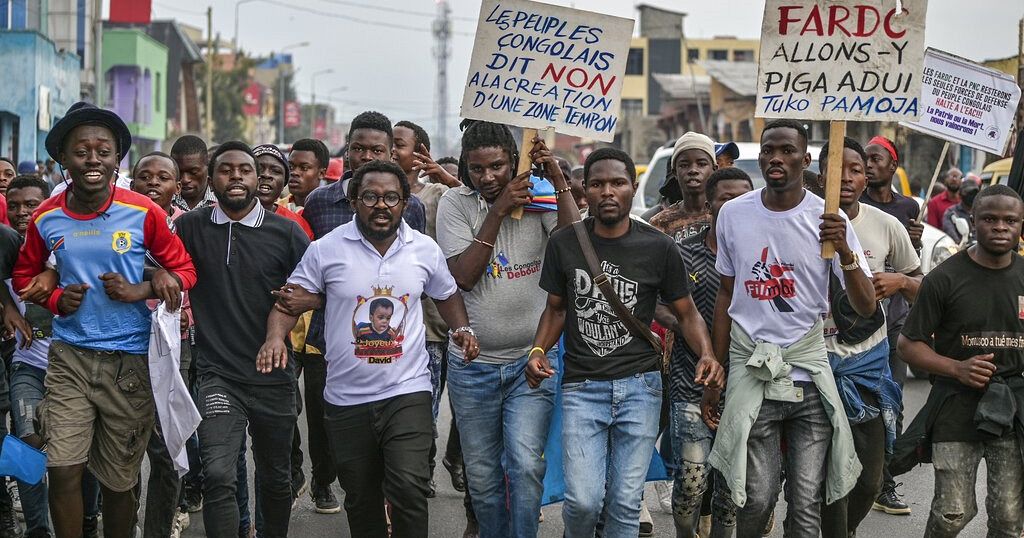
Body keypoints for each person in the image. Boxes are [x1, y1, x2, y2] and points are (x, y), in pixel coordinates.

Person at [260, 159, 479, 538]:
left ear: (405, 201)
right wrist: (275, 337)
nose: (382, 205)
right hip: (346, 398)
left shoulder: (423, 250)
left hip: (407, 391)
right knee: (361, 497)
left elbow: (447, 294)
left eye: (391, 197)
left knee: (409, 488)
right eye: (371, 197)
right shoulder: (325, 250)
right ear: (353, 201)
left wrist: (461, 328)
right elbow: (288, 302)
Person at [12, 101, 196, 538]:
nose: (93, 159)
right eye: (82, 151)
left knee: (118, 483)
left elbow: (186, 271)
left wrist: (145, 288)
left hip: (128, 363)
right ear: (63, 160)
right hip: (69, 358)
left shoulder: (143, 212)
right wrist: (56, 298)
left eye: (104, 151)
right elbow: (24, 278)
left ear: (117, 159)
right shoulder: (46, 217)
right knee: (62, 468)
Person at [524, 147, 722, 537]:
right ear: (585, 189)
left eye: (617, 183)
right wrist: (537, 351)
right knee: (582, 501)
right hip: (582, 387)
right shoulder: (565, 243)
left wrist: (708, 354)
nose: (607, 192)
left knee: (625, 502)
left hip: (640, 388)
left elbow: (686, 313)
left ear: (634, 187)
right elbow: (556, 310)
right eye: (597, 184)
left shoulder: (658, 246)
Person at [704, 119, 875, 538]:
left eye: (786, 150)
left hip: (810, 379)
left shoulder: (828, 217)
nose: (775, 158)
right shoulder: (733, 214)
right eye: (768, 151)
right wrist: (716, 368)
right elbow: (726, 296)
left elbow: (866, 305)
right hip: (752, 374)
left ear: (807, 158)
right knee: (756, 499)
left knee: (806, 504)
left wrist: (846, 250)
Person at [436, 119, 576, 538]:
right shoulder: (455, 204)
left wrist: (555, 182)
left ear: (514, 162)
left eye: (497, 166)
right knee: (481, 475)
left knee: (525, 464)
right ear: (464, 167)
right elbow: (463, 275)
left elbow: (573, 248)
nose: (488, 177)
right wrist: (498, 210)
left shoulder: (541, 197)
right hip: (472, 367)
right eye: (477, 168)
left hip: (529, 362)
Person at [174, 141, 309, 538]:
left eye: (245, 170)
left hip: (274, 375)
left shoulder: (285, 232)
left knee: (275, 476)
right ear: (212, 179)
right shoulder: (189, 227)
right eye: (226, 170)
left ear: (259, 179)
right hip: (218, 374)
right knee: (217, 472)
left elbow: (319, 287)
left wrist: (287, 321)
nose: (236, 176)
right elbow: (156, 264)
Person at [297, 110, 426, 513]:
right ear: (347, 150)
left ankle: (394, 491)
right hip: (330, 339)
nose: (367, 156)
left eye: (377, 149)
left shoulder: (414, 209)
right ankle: (324, 480)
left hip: (398, 346)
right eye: (358, 148)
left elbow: (416, 272)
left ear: (391, 153)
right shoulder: (319, 202)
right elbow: (311, 274)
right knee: (325, 421)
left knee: (401, 450)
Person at [897, 185, 1024, 537]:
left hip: (1012, 410)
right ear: (973, 221)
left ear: (1020, 225)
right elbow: (909, 344)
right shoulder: (944, 278)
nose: (1000, 227)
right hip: (956, 407)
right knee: (952, 512)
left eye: (1010, 220)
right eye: (990, 219)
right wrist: (957, 368)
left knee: (1009, 519)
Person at [814, 137, 919, 537]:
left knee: (868, 477)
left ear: (865, 178)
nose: (846, 177)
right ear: (821, 173)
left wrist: (901, 283)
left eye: (856, 170)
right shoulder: (800, 218)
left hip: (867, 366)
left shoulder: (886, 225)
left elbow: (920, 283)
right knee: (817, 475)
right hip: (811, 364)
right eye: (837, 168)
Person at [654, 167, 751, 538]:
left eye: (744, 197)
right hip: (689, 377)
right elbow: (658, 304)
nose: (735, 205)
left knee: (729, 487)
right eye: (726, 197)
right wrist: (687, 325)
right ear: (709, 204)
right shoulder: (682, 252)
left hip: (744, 381)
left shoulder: (759, 257)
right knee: (693, 479)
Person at [129, 151, 199, 538]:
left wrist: (188, 311)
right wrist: (153, 274)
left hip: (173, 341)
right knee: (125, 440)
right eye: (145, 176)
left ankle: (164, 517)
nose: (154, 183)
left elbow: (194, 275)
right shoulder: (120, 219)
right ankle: (127, 518)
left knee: (167, 438)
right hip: (125, 338)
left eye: (163, 177)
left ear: (178, 185)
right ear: (133, 181)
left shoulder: (187, 225)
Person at [393, 119, 460, 497]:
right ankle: (419, 468)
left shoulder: (437, 193)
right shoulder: (376, 190)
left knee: (451, 403)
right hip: (410, 323)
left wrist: (444, 176)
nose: (390, 151)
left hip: (444, 317)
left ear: (420, 152)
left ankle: (438, 461)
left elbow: (480, 200)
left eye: (399, 145)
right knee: (422, 404)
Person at [859, 135, 922, 514]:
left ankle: (885, 483)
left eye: (875, 158)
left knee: (891, 401)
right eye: (862, 159)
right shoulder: (851, 206)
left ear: (892, 165)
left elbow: (913, 270)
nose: (868, 165)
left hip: (895, 319)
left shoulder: (907, 206)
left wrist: (916, 237)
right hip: (851, 323)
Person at [648, 132, 717, 242]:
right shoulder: (661, 222)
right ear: (675, 172)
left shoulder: (723, 216)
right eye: (684, 165)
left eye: (701, 164)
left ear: (714, 169)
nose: (693, 170)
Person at [254, 144, 313, 238]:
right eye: (259, 169)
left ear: (284, 183)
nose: (266, 174)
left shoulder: (298, 226)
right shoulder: (227, 217)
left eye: (276, 171)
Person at [170, 135, 216, 212]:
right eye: (179, 172)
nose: (185, 180)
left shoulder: (222, 203)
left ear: (208, 166)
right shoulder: (163, 201)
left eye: (193, 172)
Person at [286, 138, 329, 212]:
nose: (294, 172)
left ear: (321, 173)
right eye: (291, 167)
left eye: (304, 168)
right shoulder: (276, 209)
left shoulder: (329, 211)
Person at [942, 180, 980, 244]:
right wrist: (960, 243)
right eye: (969, 193)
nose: (972, 196)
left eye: (975, 193)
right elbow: (950, 231)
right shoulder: (951, 213)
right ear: (960, 194)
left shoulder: (982, 212)